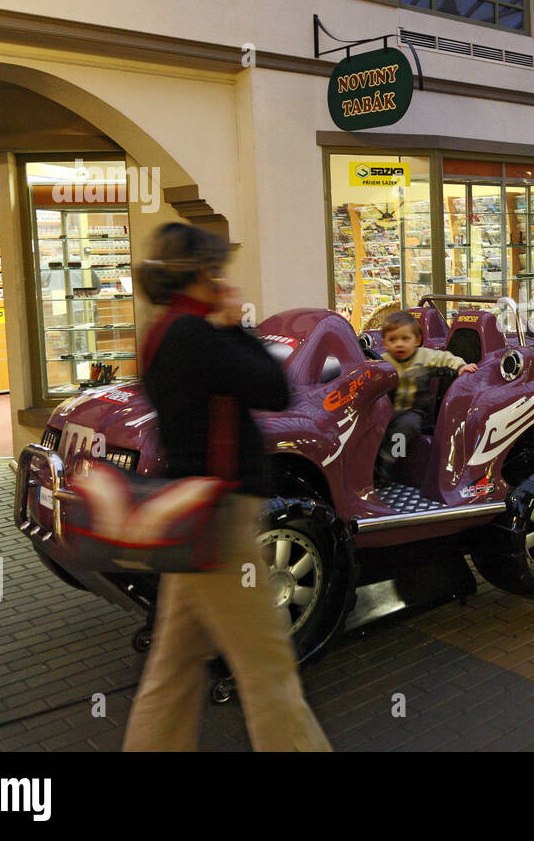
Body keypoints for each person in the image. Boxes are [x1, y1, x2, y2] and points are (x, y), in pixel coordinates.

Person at [124, 222, 331, 752]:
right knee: (267, 666)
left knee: (172, 668)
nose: (223, 276)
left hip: (188, 515)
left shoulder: (161, 331)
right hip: (220, 522)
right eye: (216, 268)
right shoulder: (199, 335)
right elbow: (275, 388)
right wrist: (236, 324)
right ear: (200, 273)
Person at [376, 311, 476, 486]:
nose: (399, 344)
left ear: (416, 340)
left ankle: (389, 461)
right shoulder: (382, 360)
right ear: (384, 343)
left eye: (405, 339)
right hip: (388, 410)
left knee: (405, 427)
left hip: (414, 412)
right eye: (393, 340)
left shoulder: (425, 356)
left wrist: (461, 366)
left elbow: (445, 358)